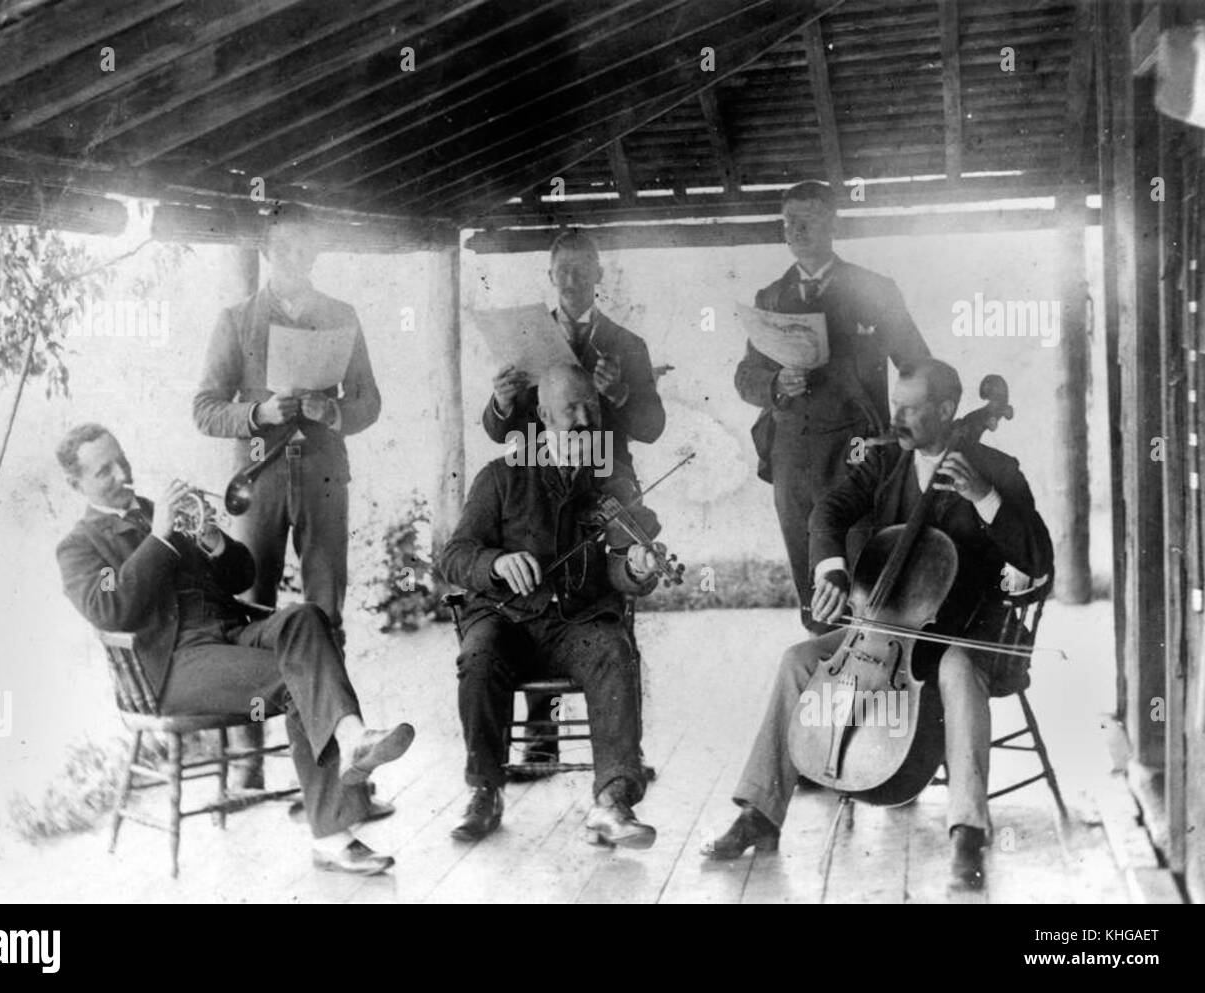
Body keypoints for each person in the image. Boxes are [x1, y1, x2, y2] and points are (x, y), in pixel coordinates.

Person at [705, 360, 1053, 890]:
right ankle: (760, 812)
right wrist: (834, 569)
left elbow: (1038, 559)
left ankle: (967, 832)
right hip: (890, 631)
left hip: (966, 633)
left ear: (945, 408)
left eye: (911, 407)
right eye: (895, 404)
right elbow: (828, 512)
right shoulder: (886, 463)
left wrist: (984, 497)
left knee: (957, 669)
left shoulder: (997, 468)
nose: (898, 417)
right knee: (799, 661)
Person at [54, 424, 413, 874]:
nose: (121, 472)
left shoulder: (156, 511)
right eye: (104, 470)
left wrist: (212, 538)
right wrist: (161, 536)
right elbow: (112, 609)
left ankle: (352, 737)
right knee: (299, 679)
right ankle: (332, 833)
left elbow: (241, 577)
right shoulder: (79, 546)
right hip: (175, 666)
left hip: (229, 631)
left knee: (306, 617)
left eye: (121, 459)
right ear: (76, 484)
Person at [193, 201, 381, 787]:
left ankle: (338, 763)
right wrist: (258, 411)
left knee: (326, 614)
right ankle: (250, 761)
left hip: (324, 473)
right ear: (266, 251)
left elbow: (369, 402)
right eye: (286, 248)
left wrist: (335, 410)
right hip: (258, 478)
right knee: (250, 602)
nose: (298, 258)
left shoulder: (341, 315)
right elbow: (204, 408)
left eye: (308, 247)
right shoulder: (235, 319)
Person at [440, 365, 664, 847]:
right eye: (571, 410)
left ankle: (613, 801)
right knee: (478, 657)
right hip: (507, 620)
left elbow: (619, 567)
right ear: (542, 416)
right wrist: (496, 563)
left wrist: (638, 568)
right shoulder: (501, 476)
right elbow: (455, 556)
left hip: (575, 624)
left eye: (592, 408)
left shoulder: (612, 479)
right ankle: (484, 789)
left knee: (613, 650)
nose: (584, 420)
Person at [483, 228, 666, 769]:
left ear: (599, 276)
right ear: (549, 275)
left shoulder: (627, 345)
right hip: (539, 478)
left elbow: (652, 426)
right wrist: (500, 401)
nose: (572, 280)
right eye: (562, 269)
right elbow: (499, 432)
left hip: (606, 476)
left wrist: (623, 396)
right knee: (538, 585)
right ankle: (541, 734)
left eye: (583, 270)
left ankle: (621, 747)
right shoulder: (524, 338)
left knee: (613, 588)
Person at [735, 181, 929, 633]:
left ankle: (870, 685)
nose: (796, 229)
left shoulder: (875, 290)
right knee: (816, 597)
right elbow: (745, 379)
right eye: (788, 221)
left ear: (832, 223)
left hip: (856, 457)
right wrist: (775, 383)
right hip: (792, 461)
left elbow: (918, 365)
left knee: (865, 585)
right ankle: (829, 687)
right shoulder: (769, 298)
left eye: (808, 218)